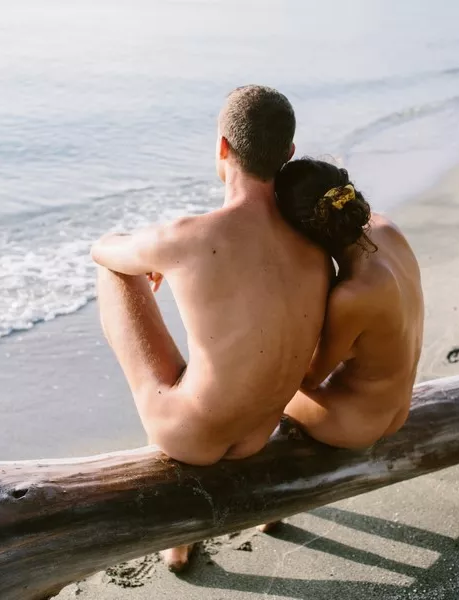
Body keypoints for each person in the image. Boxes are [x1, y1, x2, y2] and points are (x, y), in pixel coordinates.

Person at [90, 86, 331, 571]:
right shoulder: (315, 247)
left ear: (222, 147)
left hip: (190, 435)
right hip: (260, 432)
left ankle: (179, 536)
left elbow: (104, 247)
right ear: (287, 155)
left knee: (113, 269)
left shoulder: (189, 236)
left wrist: (152, 257)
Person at [273, 157, 424, 451]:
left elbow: (310, 378)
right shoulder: (386, 227)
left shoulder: (352, 297)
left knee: (251, 394)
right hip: (396, 407)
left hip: (354, 423)